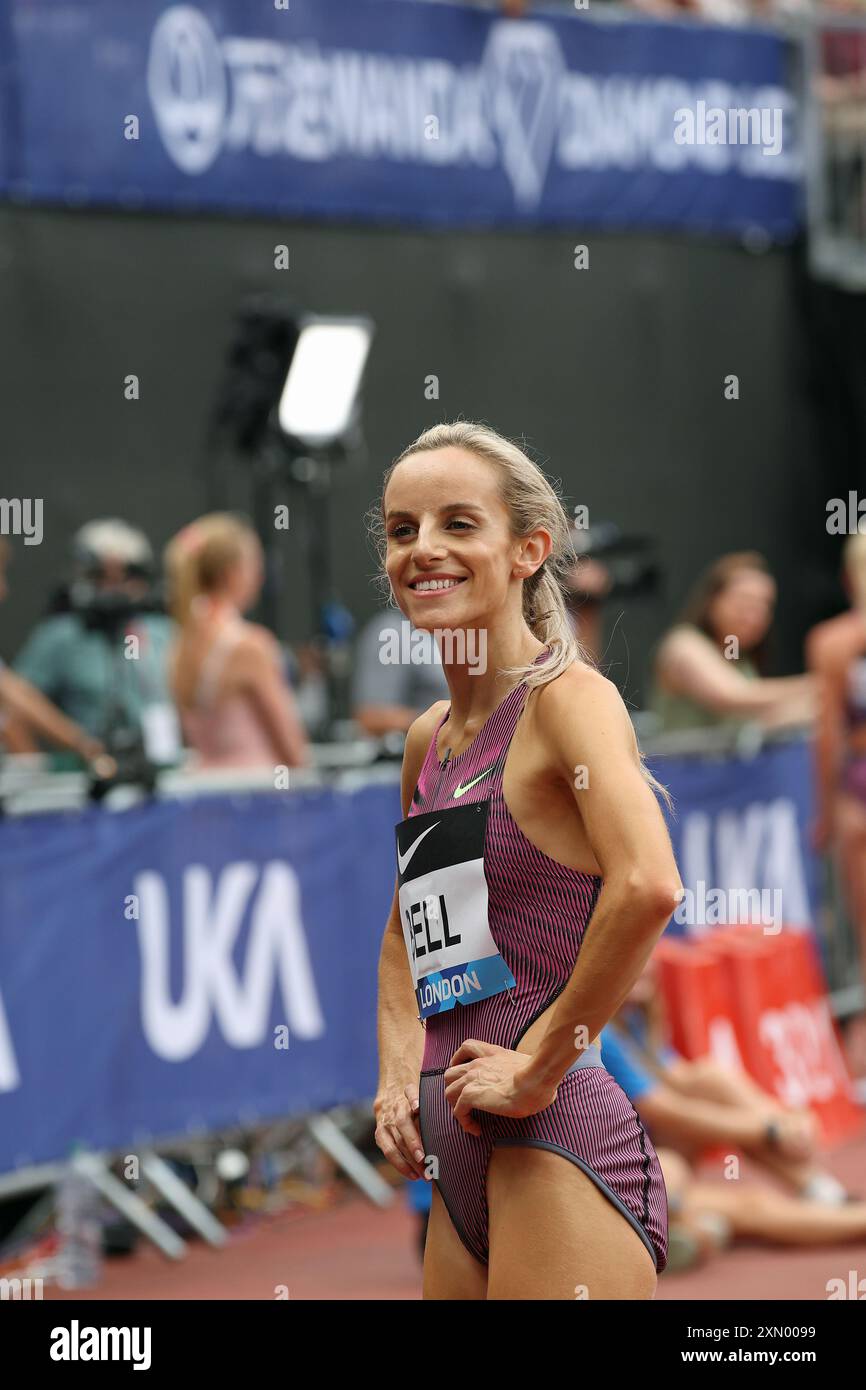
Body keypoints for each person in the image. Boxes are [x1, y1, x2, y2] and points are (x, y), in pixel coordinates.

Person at [372, 421, 683, 1301]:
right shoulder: (428, 739)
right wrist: (399, 1079)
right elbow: (408, 937)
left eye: (458, 525)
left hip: (553, 1135)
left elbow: (649, 884)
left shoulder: (568, 703)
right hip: (455, 1151)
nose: (423, 550)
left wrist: (540, 1061)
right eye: (402, 531)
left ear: (528, 550)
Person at [9, 519, 175, 759]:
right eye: (101, 576)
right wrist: (34, 767)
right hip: (87, 775)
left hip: (161, 769)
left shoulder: (163, 634)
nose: (114, 588)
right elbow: (13, 707)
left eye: (126, 576)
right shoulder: (59, 638)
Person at [164, 513, 310, 771]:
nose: (260, 576)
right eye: (255, 565)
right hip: (257, 794)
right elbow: (293, 750)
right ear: (231, 573)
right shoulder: (250, 646)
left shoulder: (179, 643)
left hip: (204, 793)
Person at [807, 531, 866, 1077]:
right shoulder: (836, 643)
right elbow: (827, 734)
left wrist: (828, 810)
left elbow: (828, 735)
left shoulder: (834, 641)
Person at [649, 551, 814, 735]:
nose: (754, 614)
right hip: (682, 763)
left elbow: (759, 721)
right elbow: (735, 696)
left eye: (765, 604)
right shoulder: (684, 644)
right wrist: (818, 684)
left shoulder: (737, 655)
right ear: (713, 602)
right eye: (744, 600)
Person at [0, 539, 113, 774]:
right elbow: (10, 697)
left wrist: (85, 747)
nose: (3, 590)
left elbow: (13, 697)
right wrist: (86, 747)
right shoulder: (58, 636)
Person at [351, 612, 450, 737]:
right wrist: (449, 721)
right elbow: (371, 716)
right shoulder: (392, 632)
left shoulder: (456, 626)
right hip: (419, 749)